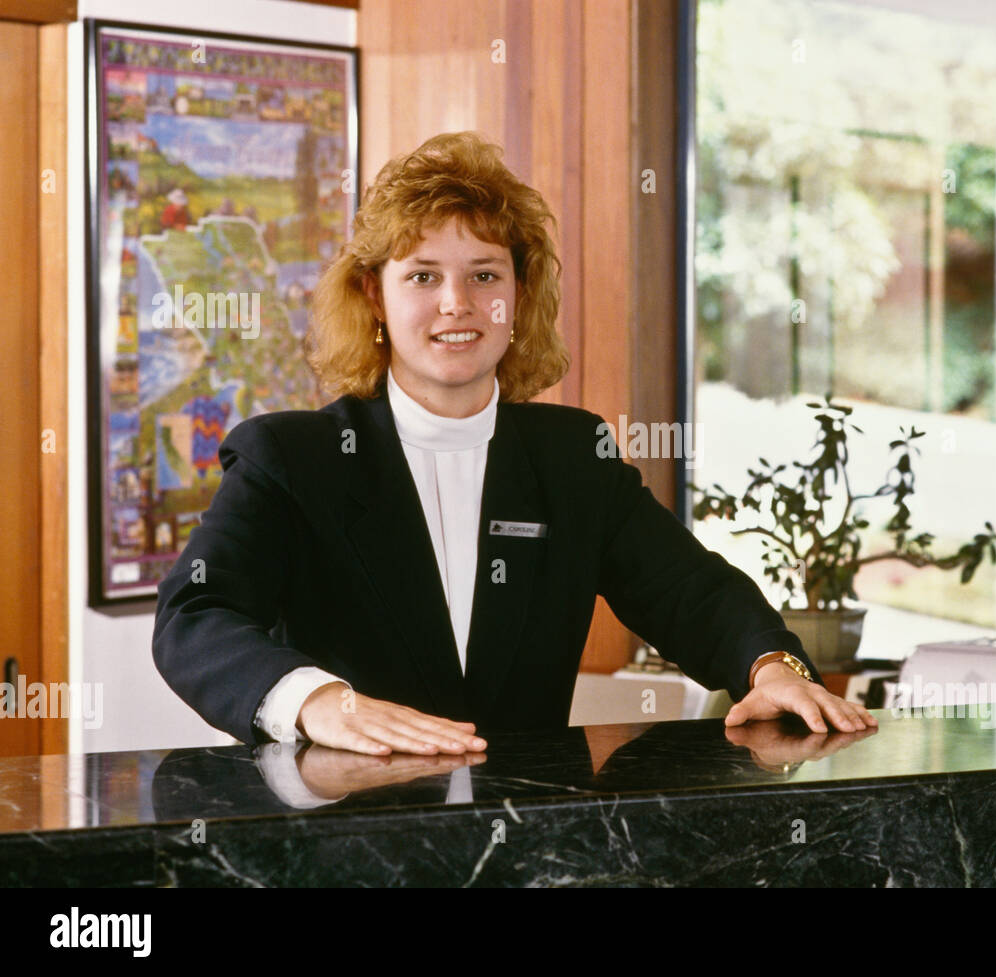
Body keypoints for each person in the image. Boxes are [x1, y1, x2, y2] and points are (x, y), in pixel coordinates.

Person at [152, 131, 876, 758]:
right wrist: (319, 702)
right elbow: (195, 616)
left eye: (484, 275)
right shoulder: (291, 457)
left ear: (519, 295)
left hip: (527, 848)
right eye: (423, 275)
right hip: (344, 848)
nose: (455, 304)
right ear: (374, 295)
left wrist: (772, 666)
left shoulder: (571, 458)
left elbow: (692, 592)